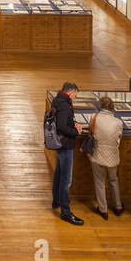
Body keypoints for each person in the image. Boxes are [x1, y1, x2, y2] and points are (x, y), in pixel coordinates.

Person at [48, 82, 85, 226]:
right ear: (71, 92)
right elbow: (62, 126)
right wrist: (75, 131)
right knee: (66, 180)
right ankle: (65, 212)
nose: (75, 97)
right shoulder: (64, 104)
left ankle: (56, 200)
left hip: (60, 144)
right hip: (65, 144)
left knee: (59, 172)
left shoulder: (59, 99)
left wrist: (73, 123)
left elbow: (63, 121)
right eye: (76, 94)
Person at [87, 97, 124, 219]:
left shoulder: (94, 118)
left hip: (97, 154)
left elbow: (90, 132)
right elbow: (119, 137)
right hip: (113, 155)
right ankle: (118, 207)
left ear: (100, 106)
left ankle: (103, 210)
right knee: (114, 181)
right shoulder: (118, 122)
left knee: (99, 182)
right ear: (112, 107)